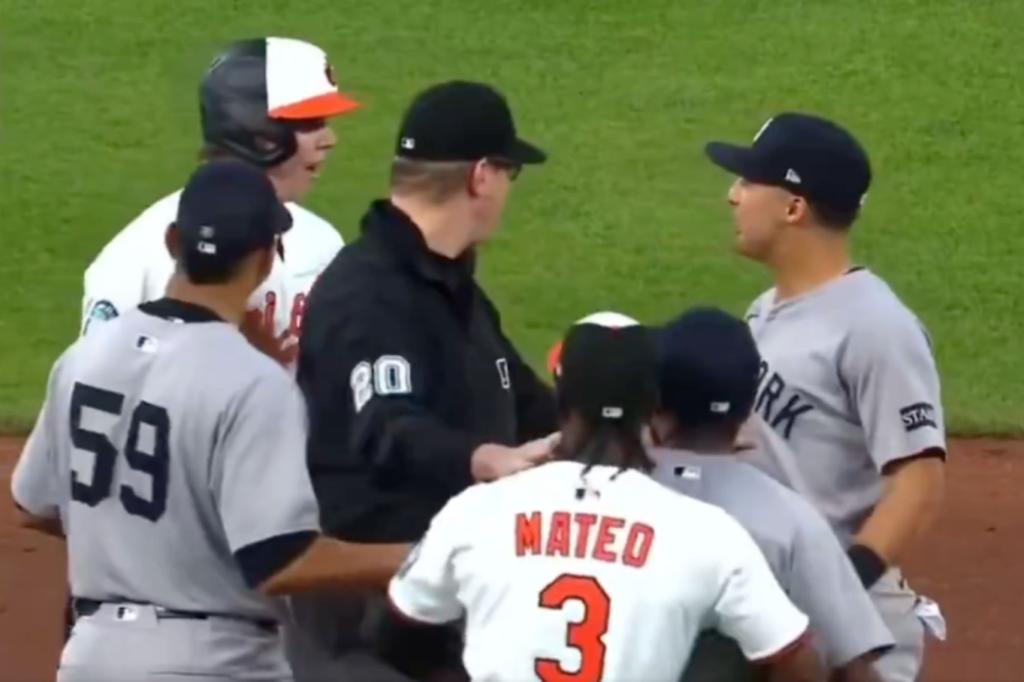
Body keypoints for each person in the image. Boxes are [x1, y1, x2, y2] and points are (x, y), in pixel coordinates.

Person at [11, 160, 409, 682]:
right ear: (267, 259)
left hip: (92, 658)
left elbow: (32, 500)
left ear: (173, 242)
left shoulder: (83, 360)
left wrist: (141, 546)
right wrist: (411, 555)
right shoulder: (253, 382)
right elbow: (281, 561)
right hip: (213, 662)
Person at [386, 311, 825, 682]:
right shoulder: (706, 532)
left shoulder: (478, 511)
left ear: (562, 397)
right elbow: (799, 660)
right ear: (652, 405)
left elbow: (400, 632)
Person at [289, 80, 560, 680]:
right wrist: (483, 459)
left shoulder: (453, 288)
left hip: (439, 606)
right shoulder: (367, 294)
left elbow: (531, 403)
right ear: (482, 176)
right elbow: (386, 425)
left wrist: (633, 412)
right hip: (367, 615)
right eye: (510, 174)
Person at [703, 112, 947, 682]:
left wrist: (837, 585)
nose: (731, 196)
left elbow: (920, 484)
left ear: (793, 207)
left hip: (847, 625)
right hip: (774, 606)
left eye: (747, 182)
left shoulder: (876, 326)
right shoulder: (764, 310)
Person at [648, 306, 893, 682]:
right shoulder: (788, 519)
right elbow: (852, 667)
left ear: (656, 400)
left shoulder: (606, 493)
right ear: (749, 407)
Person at [81, 36, 355, 368]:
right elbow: (94, 399)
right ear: (260, 133)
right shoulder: (135, 262)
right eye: (311, 125)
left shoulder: (321, 243)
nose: (329, 141)